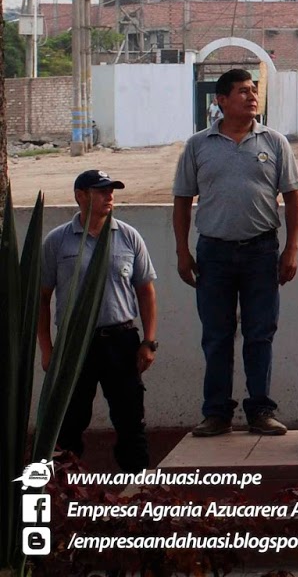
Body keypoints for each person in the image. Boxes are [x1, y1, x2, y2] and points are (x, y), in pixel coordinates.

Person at [172, 68, 298, 437]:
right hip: (213, 254)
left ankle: (261, 410)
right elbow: (182, 201)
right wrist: (183, 252)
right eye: (243, 91)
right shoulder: (198, 145)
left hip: (262, 252)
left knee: (260, 333)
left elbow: (293, 198)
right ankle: (216, 413)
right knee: (216, 335)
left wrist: (291, 248)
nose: (251, 96)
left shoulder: (275, 142)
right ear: (221, 100)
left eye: (254, 90)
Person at [38, 170, 159, 472]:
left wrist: (148, 341)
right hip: (75, 343)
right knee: (69, 422)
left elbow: (146, 291)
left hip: (120, 340)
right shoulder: (58, 241)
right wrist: (47, 349)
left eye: (111, 190)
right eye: (101, 191)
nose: (109, 196)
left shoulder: (128, 236)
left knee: (131, 420)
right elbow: (41, 298)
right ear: (81, 195)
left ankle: (136, 492)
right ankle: (66, 495)